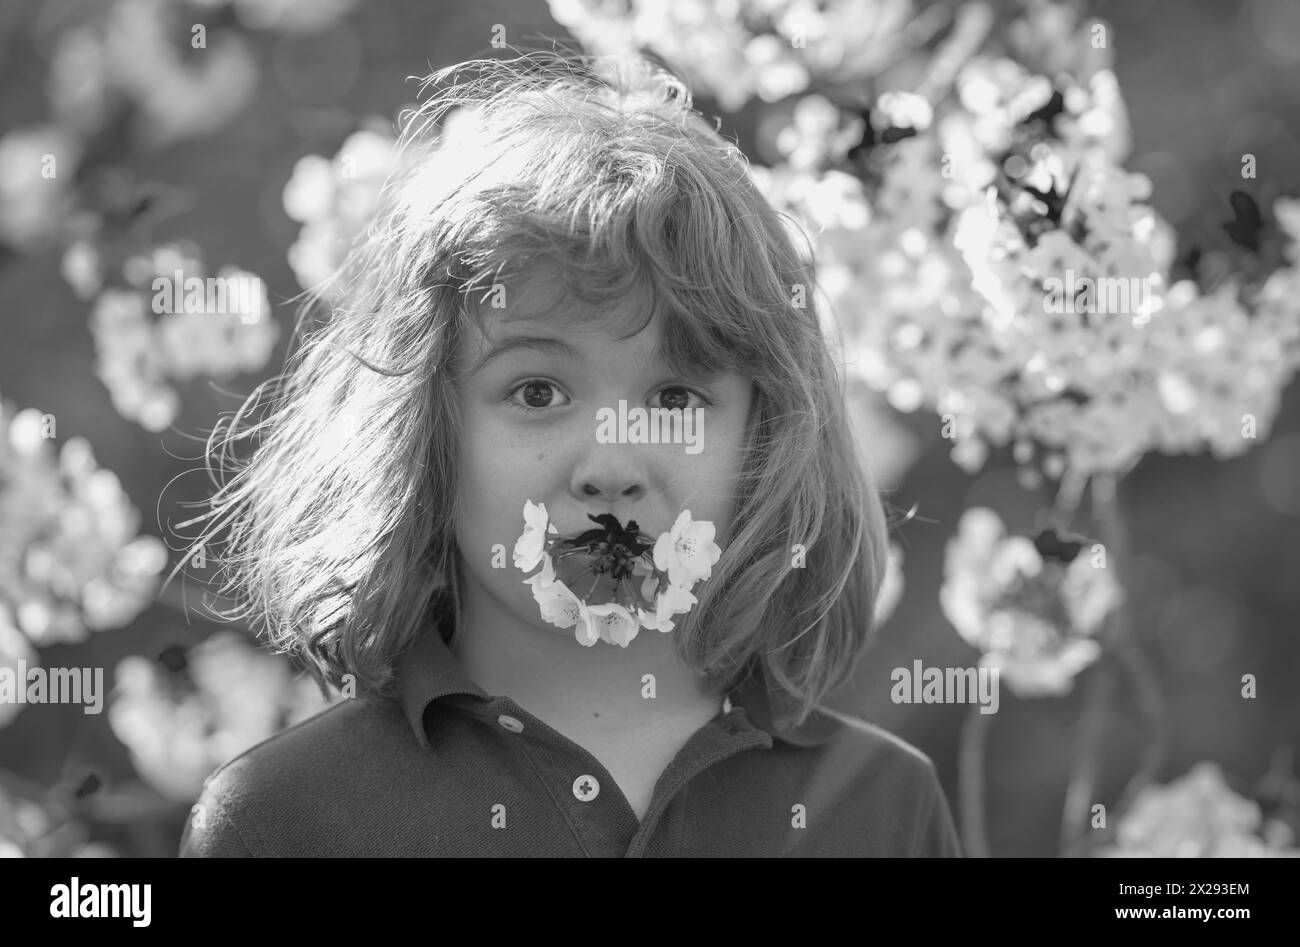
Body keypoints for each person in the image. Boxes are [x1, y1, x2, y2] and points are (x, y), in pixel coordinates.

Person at [179, 50, 961, 857]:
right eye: (539, 393)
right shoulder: (283, 821)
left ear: (764, 438)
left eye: (675, 400)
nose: (612, 465)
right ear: (426, 427)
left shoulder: (880, 809)